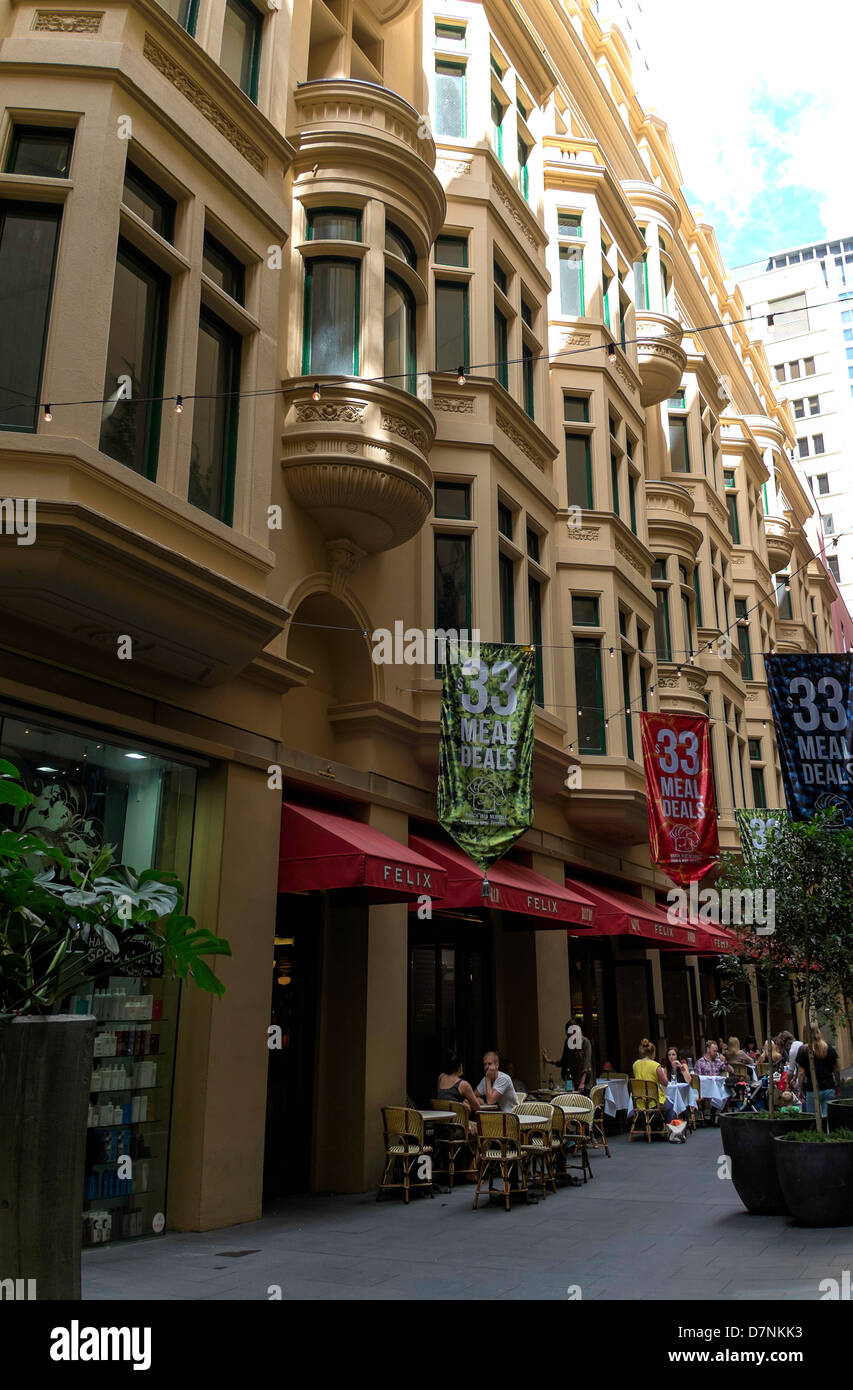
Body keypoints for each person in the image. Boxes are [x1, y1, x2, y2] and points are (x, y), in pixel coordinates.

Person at [797, 1025, 839, 1118]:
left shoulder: (803, 1050)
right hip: (828, 1087)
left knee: (813, 1118)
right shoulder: (829, 1048)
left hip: (812, 1088)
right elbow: (836, 1069)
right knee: (828, 1117)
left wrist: (800, 1089)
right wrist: (837, 1084)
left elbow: (801, 1073)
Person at [543, 1018, 593, 1093]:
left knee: (583, 1098)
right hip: (572, 1081)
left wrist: (582, 1083)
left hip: (585, 1082)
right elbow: (564, 1061)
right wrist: (549, 1061)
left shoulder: (585, 1042)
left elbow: (586, 1065)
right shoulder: (568, 1042)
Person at [632, 1039, 675, 1121]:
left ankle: (653, 1124)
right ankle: (669, 1127)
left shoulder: (635, 1065)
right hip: (654, 1101)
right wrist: (664, 1072)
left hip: (639, 1100)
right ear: (653, 1052)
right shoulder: (656, 1066)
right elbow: (665, 1083)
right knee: (671, 1104)